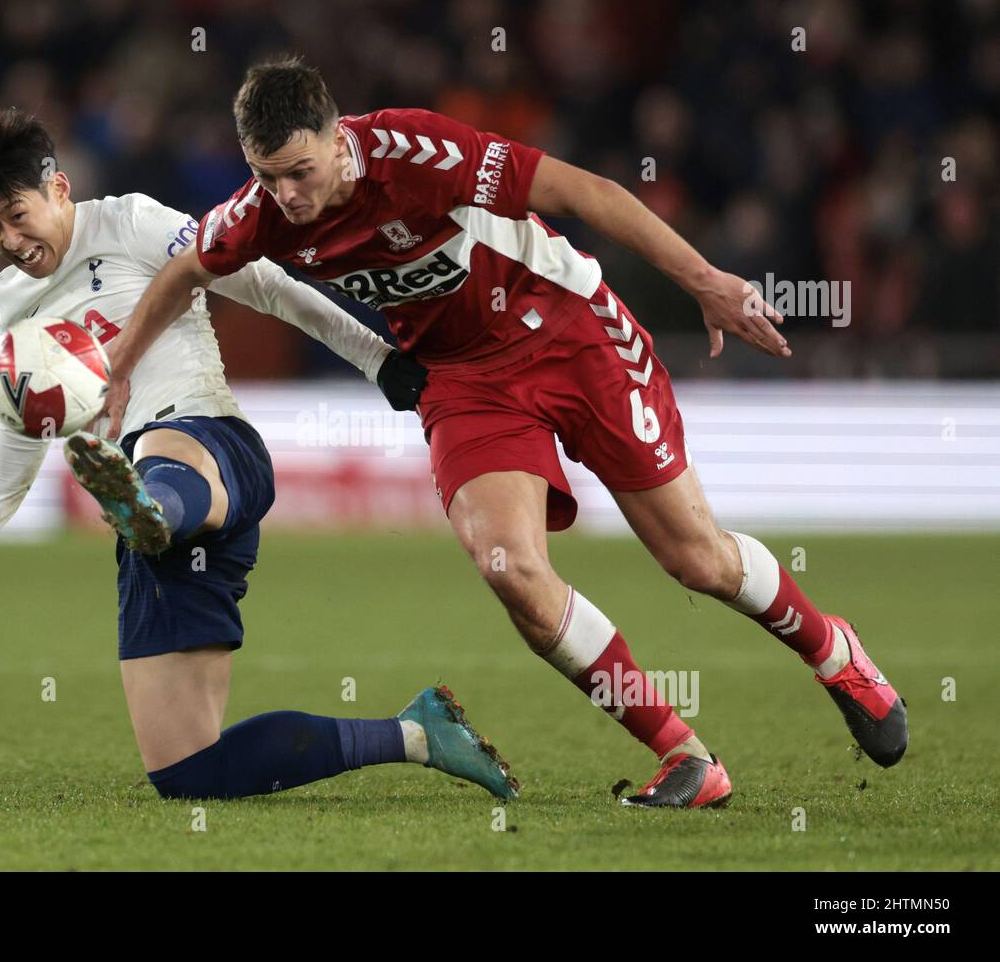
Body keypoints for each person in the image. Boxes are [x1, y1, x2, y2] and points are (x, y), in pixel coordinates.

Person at [98, 59, 908, 809]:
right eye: (266, 177)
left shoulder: (422, 152)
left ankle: (833, 649)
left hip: (569, 331)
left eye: (300, 172)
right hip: (464, 378)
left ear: (339, 143)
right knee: (511, 568)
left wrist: (708, 282)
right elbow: (185, 270)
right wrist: (122, 365)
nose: (287, 196)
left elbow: (586, 193)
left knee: (695, 558)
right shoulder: (261, 214)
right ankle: (682, 754)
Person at [0, 108, 519, 801]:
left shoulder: (131, 222)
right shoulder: (12, 300)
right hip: (156, 523)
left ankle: (152, 506)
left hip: (208, 440)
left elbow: (259, 281)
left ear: (58, 187)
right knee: (188, 771)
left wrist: (375, 359)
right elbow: (22, 425)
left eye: (16, 215)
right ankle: (416, 734)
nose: (10, 241)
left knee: (159, 459)